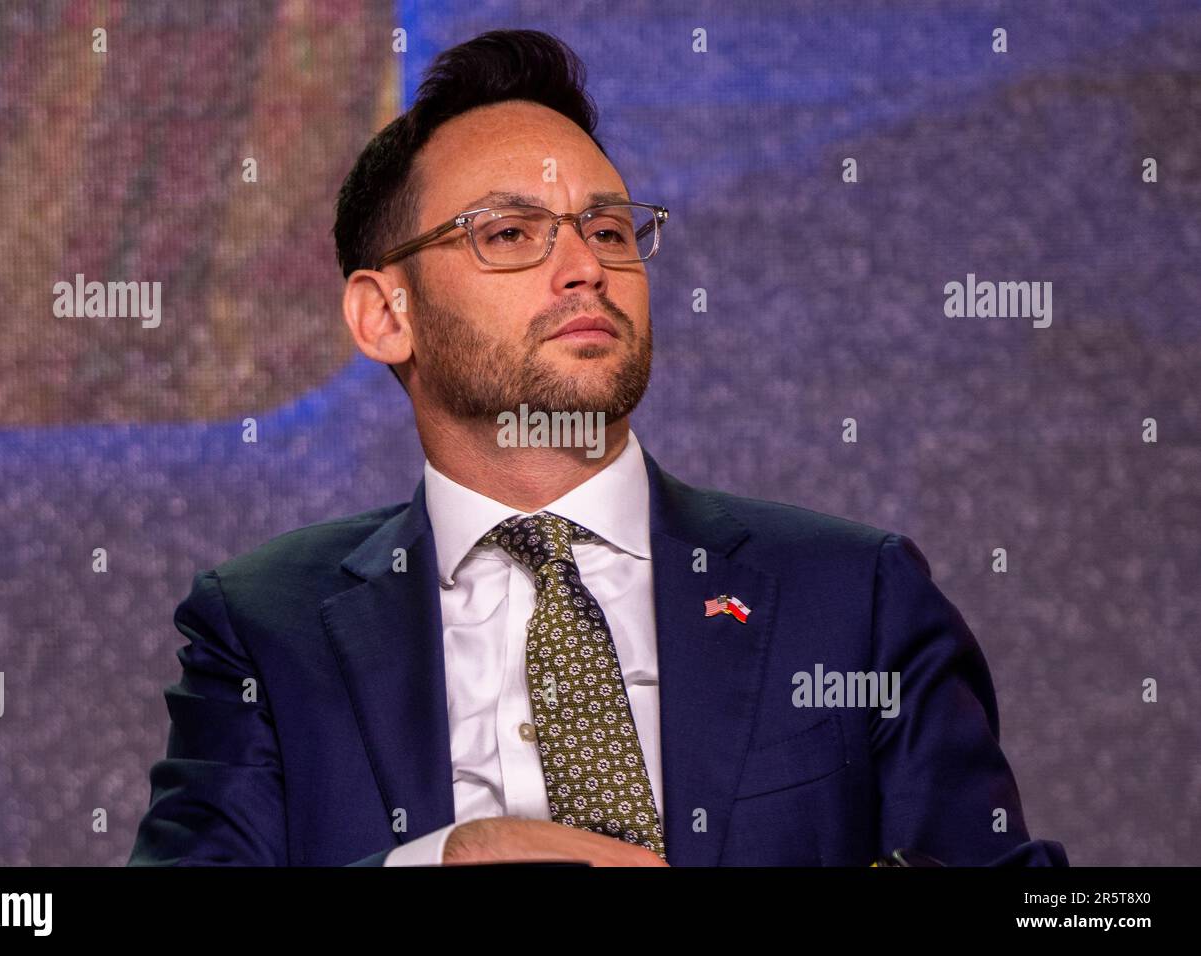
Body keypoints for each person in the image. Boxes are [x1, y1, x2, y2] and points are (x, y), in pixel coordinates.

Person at [129, 29, 1067, 868]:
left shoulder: (853, 596)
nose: (586, 267)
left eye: (609, 229)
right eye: (509, 233)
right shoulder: (264, 625)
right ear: (385, 315)